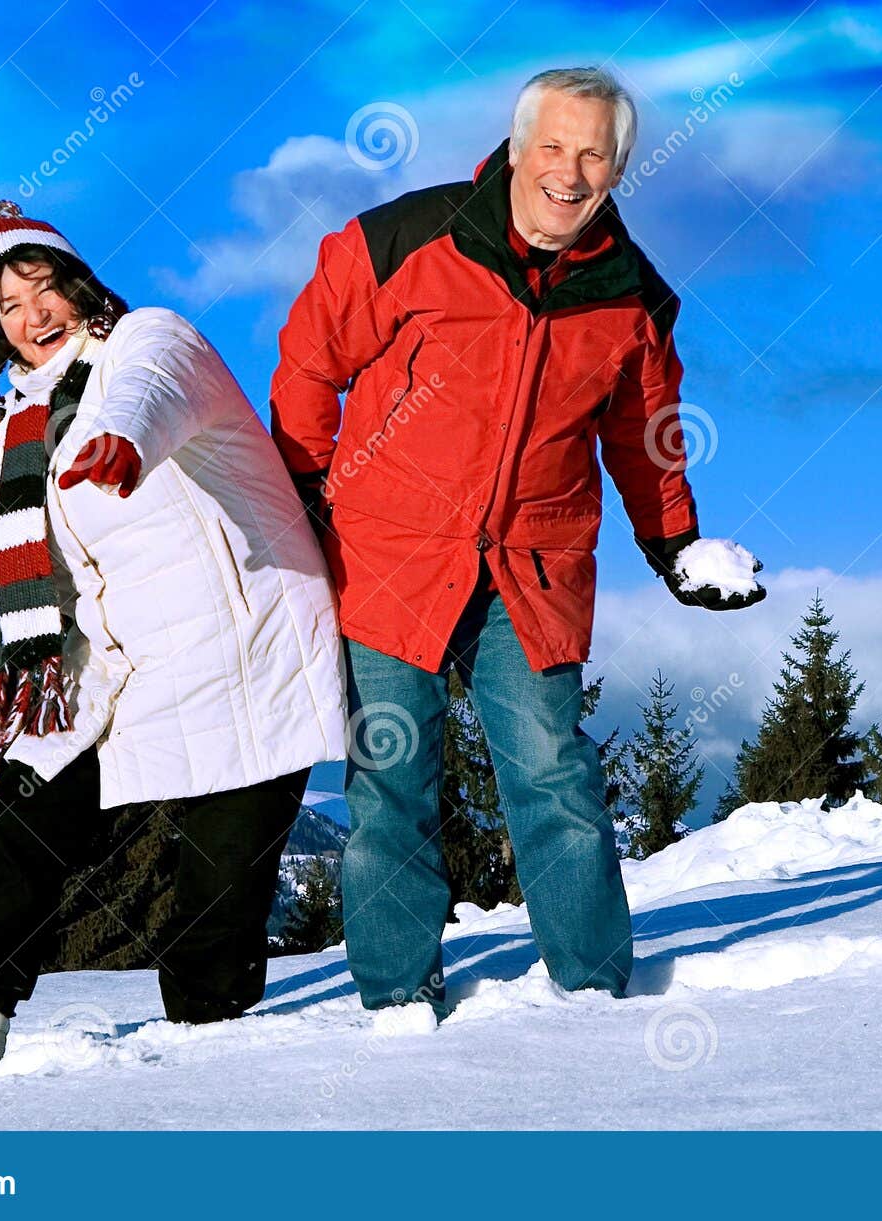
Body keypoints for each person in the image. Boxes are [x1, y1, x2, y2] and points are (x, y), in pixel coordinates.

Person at [270, 67, 766, 1023]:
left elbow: (646, 436)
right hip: (390, 557)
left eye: (594, 155)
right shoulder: (407, 239)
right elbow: (310, 360)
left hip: (533, 569)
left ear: (619, 168)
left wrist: (675, 544)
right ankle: (395, 999)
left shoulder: (631, 296)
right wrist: (307, 491)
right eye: (553, 147)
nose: (568, 174)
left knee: (553, 772)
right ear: (515, 146)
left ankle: (594, 989)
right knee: (390, 780)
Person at [0, 200, 346, 1082]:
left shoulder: (149, 338)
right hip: (118, 666)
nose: (32, 315)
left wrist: (125, 438)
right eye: (9, 306)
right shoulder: (21, 422)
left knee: (213, 919)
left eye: (43, 288)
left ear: (79, 285)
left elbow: (152, 388)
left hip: (246, 650)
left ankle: (206, 1076)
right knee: (24, 810)